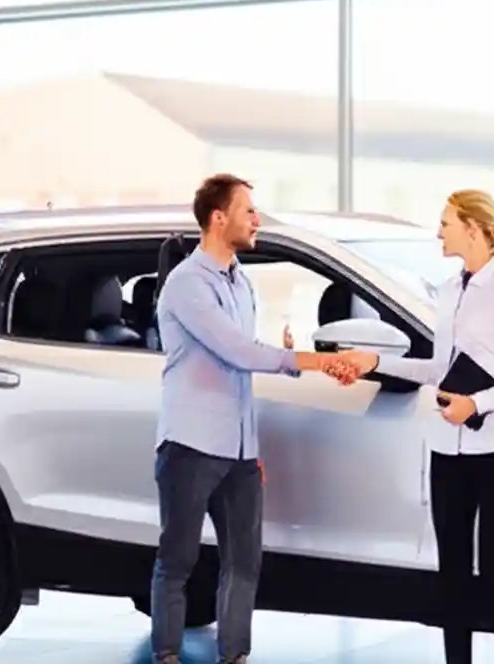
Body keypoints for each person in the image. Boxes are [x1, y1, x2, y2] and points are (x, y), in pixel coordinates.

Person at [149, 173, 355, 664]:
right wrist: (313, 361)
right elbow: (238, 351)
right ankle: (167, 655)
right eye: (248, 211)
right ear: (218, 219)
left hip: (240, 450)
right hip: (191, 445)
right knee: (178, 561)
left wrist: (285, 365)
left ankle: (235, 656)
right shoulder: (186, 285)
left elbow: (243, 364)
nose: (256, 219)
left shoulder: (241, 282)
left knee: (244, 563)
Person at [338, 189, 494, 664]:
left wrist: (475, 404)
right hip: (447, 452)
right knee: (451, 574)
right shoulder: (449, 291)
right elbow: (437, 369)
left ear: (473, 229)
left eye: (446, 223)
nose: (438, 232)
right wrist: (376, 361)